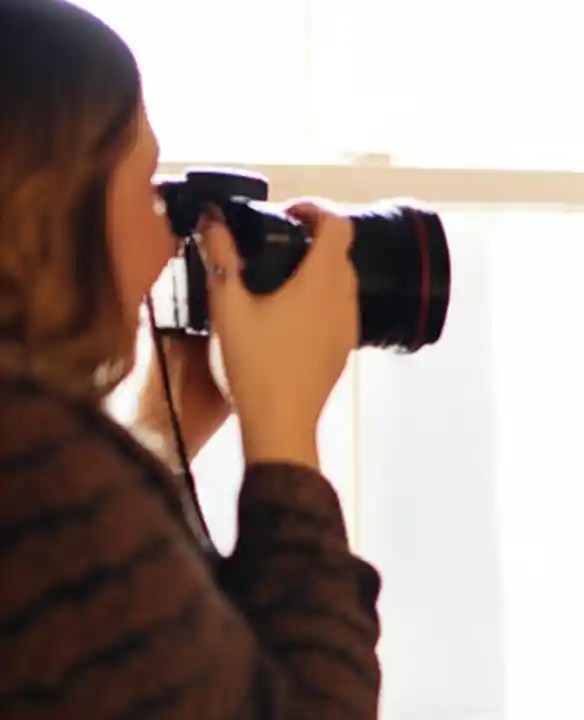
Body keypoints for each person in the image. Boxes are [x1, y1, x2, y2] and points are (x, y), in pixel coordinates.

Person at [0, 2, 381, 717]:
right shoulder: (36, 474)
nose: (170, 241)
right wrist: (285, 440)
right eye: (151, 193)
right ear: (56, 207)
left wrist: (163, 427)